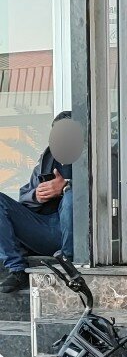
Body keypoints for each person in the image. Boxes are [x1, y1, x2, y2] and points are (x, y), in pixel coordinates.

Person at [0, 112, 73, 293]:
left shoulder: (96, 156)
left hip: (81, 237)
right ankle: (17, 269)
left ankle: (70, 263)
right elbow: (24, 197)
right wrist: (37, 196)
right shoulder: (47, 160)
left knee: (72, 197)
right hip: (45, 229)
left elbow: (106, 191)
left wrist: (66, 186)